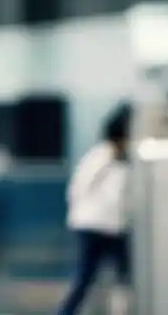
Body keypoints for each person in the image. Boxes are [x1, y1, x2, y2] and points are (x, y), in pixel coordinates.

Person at [57, 104, 132, 315]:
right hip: (95, 226)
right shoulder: (101, 157)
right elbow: (78, 189)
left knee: (118, 277)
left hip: (112, 226)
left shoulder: (121, 162)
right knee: (86, 277)